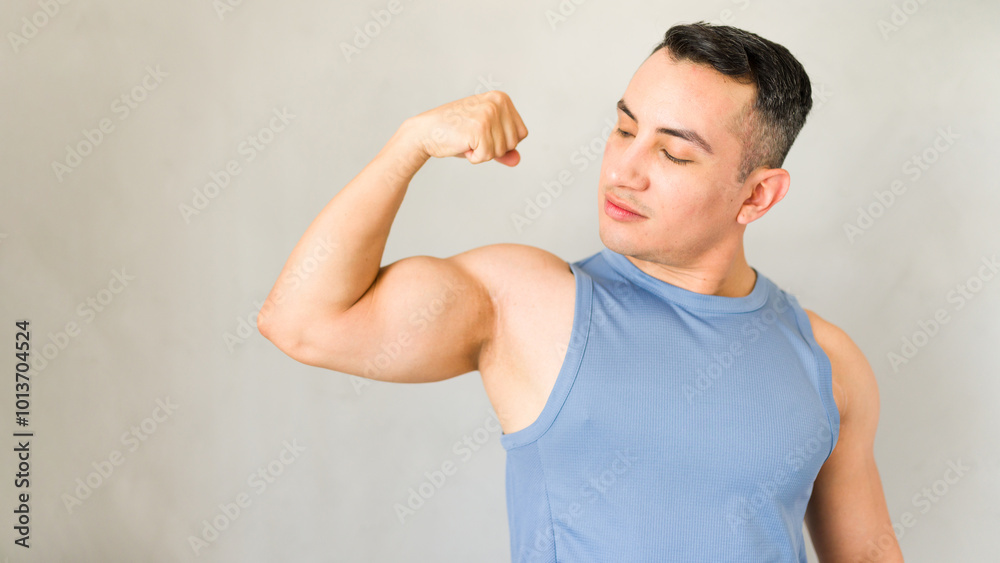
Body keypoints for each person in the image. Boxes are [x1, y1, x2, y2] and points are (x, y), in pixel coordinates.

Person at [258, 21, 904, 562]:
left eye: (672, 153)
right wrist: (409, 146)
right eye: (624, 129)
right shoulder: (526, 301)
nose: (624, 169)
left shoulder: (828, 360)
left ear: (758, 193)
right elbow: (302, 321)